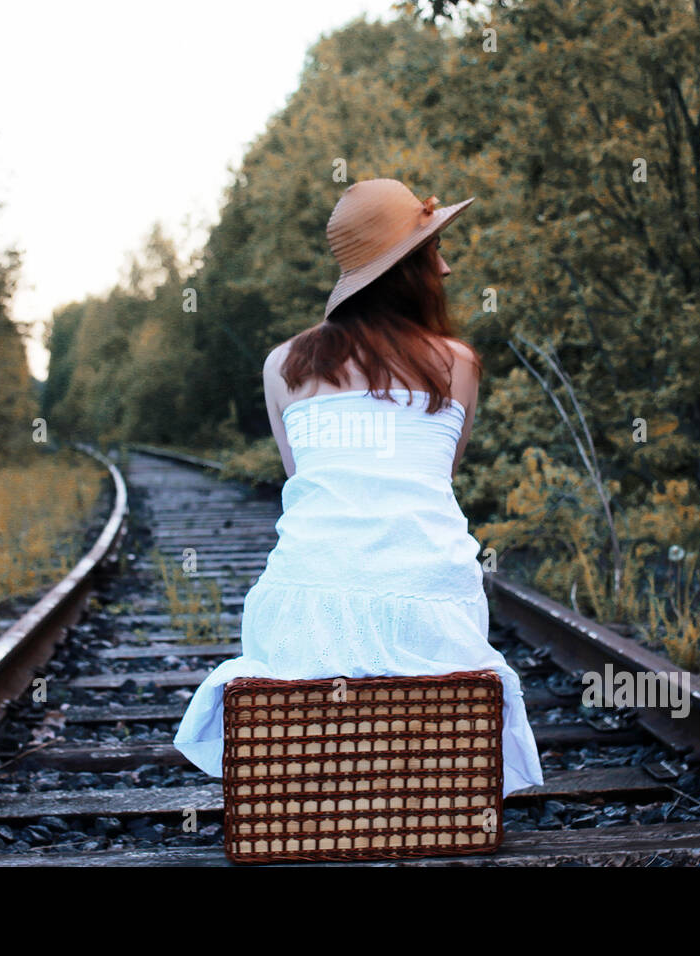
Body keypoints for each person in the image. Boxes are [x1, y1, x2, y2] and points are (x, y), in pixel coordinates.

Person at [172, 178, 545, 796]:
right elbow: (434, 481)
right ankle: (422, 784)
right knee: (431, 571)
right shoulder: (458, 364)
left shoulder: (283, 366)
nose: (446, 267)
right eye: (433, 254)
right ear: (409, 271)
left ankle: (322, 777)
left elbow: (310, 486)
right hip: (433, 611)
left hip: (301, 612)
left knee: (317, 586)